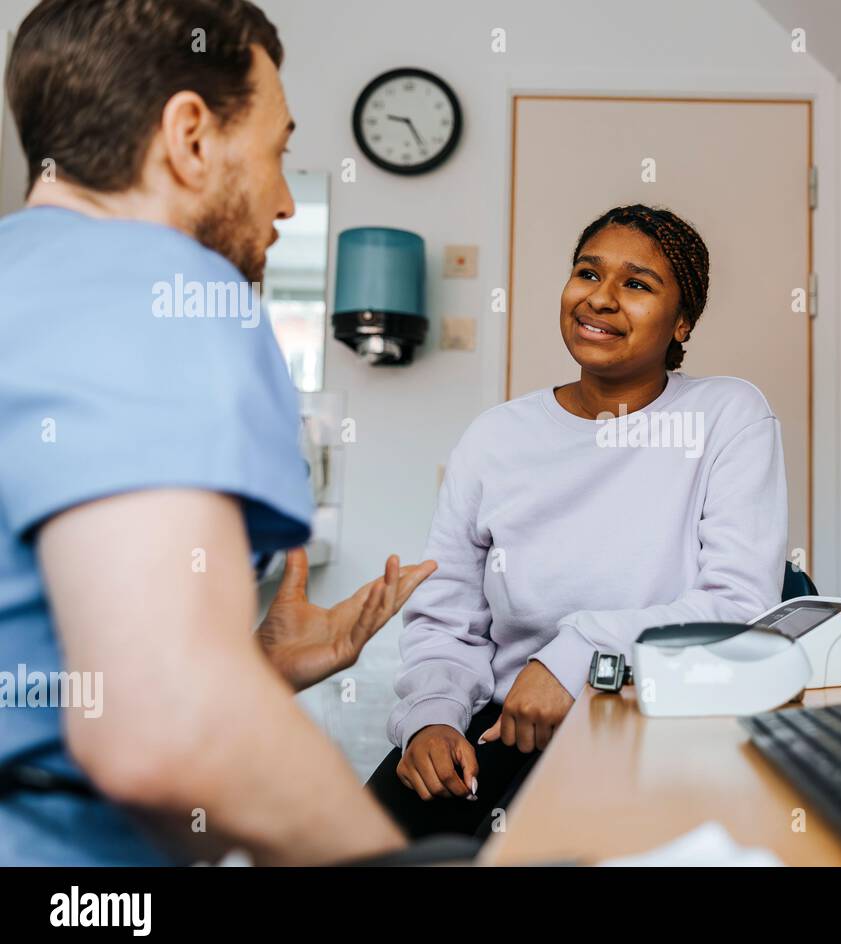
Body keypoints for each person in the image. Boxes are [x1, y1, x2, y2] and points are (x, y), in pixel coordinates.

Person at [0, 0, 432, 865]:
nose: (283, 203)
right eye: (276, 153)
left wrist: (246, 676)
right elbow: (162, 731)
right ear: (190, 136)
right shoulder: (166, 286)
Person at [367, 204, 788, 840]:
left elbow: (739, 602)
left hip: (658, 726)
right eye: (587, 273)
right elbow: (448, 619)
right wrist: (432, 716)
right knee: (363, 845)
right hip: (503, 729)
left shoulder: (728, 414)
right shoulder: (496, 437)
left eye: (638, 284)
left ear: (682, 324)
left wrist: (577, 654)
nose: (601, 300)